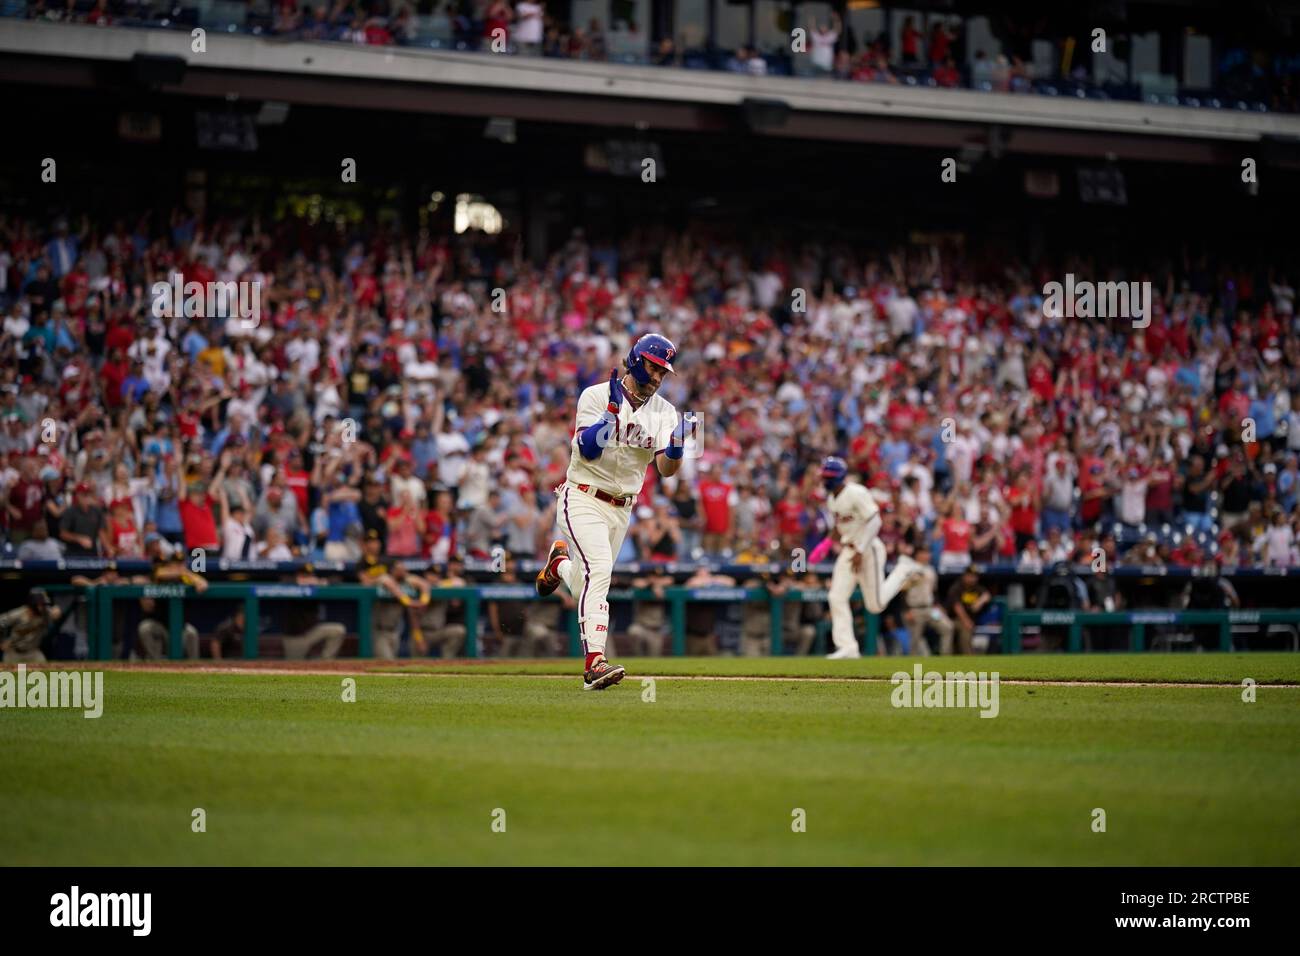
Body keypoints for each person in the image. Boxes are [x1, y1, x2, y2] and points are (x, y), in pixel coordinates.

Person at [534, 333, 695, 690]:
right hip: (583, 496)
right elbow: (588, 450)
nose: (658, 377)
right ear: (637, 360)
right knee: (601, 572)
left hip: (623, 508)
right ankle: (594, 662)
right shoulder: (595, 395)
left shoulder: (664, 412)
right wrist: (608, 417)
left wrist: (678, 446)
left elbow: (665, 471)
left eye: (664, 372)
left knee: (586, 582)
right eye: (654, 367)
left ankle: (559, 565)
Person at [820, 456, 922, 659]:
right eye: (823, 475)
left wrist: (860, 549)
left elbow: (875, 522)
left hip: (868, 549)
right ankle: (848, 647)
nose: (825, 479)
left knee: (875, 605)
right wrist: (826, 543)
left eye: (828, 476)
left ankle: (903, 569)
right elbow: (839, 526)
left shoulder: (856, 492)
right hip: (850, 549)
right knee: (836, 596)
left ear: (839, 476)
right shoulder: (832, 500)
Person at [901, 544, 952, 656]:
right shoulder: (909, 568)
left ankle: (945, 658)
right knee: (915, 640)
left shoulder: (931, 569)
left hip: (931, 609)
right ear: (917, 554)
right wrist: (906, 610)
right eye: (924, 553)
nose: (927, 555)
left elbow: (934, 591)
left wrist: (938, 605)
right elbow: (902, 592)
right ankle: (913, 668)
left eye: (928, 553)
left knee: (947, 627)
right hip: (915, 609)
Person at [0, 588, 62, 663]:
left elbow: (56, 613)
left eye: (43, 604)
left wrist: (57, 611)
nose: (41, 607)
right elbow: (1, 622)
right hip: (14, 653)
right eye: (39, 604)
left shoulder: (45, 614)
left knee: (44, 671)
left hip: (33, 652)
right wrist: (2, 641)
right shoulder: (18, 614)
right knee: (9, 674)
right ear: (32, 603)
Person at [944, 567, 990, 655]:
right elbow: (957, 607)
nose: (972, 579)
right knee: (965, 630)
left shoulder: (977, 588)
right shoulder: (957, 587)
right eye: (970, 576)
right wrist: (966, 621)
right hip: (953, 619)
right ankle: (966, 656)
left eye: (974, 576)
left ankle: (967, 657)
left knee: (966, 629)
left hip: (970, 620)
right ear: (964, 576)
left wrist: (979, 602)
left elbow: (986, 595)